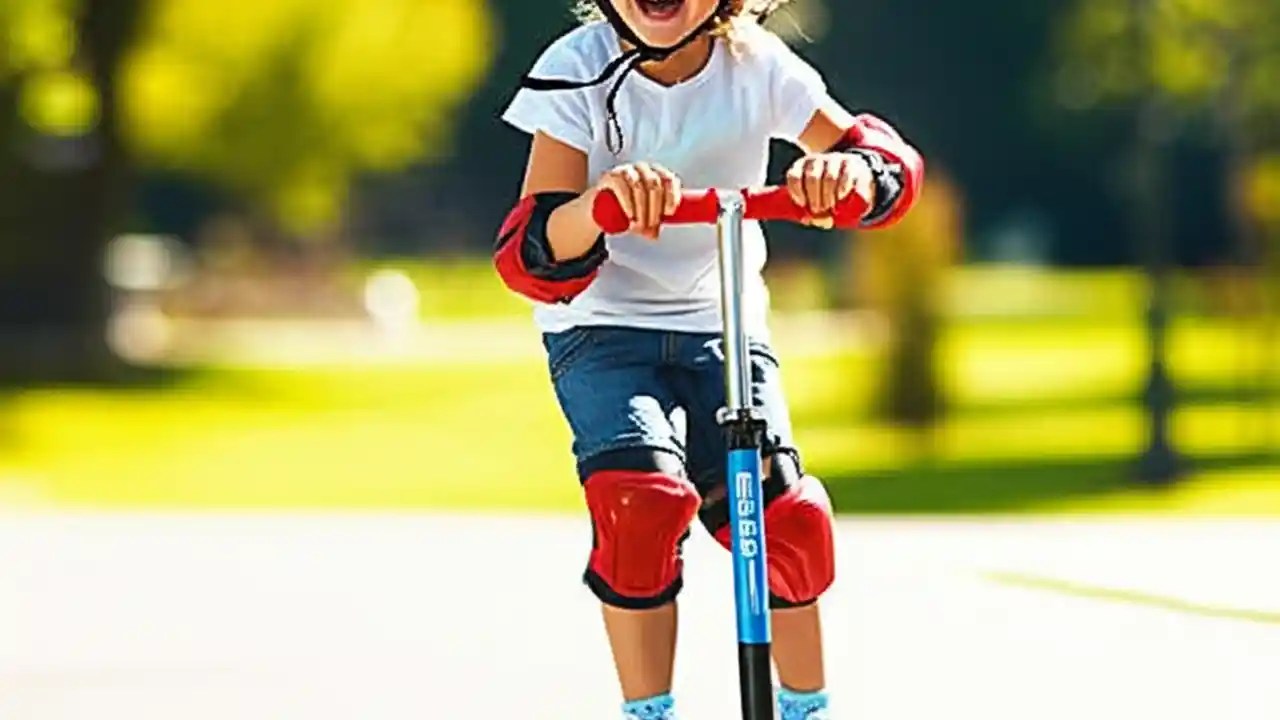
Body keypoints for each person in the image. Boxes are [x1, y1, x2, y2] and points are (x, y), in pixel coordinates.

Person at [494, 1, 924, 718]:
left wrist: (849, 176)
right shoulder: (575, 68)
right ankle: (649, 712)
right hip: (603, 327)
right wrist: (601, 206)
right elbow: (532, 246)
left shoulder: (758, 66)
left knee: (782, 518)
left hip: (721, 322)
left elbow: (882, 162)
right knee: (640, 505)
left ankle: (806, 707)